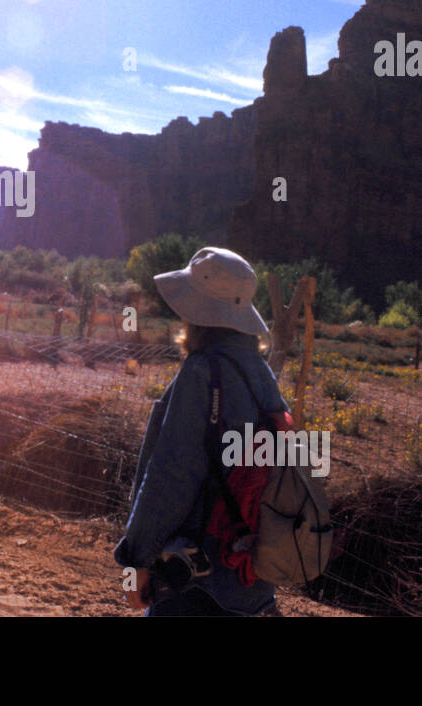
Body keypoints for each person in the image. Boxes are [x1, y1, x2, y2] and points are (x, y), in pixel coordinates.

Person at [114, 247, 290, 616]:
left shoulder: (201, 372)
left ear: (197, 313)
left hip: (195, 581)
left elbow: (171, 474)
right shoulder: (262, 374)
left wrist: (138, 558)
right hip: (251, 578)